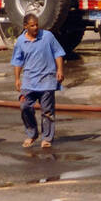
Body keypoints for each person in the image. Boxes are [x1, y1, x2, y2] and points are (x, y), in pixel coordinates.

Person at [12, 13, 65, 150]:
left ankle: (47, 138)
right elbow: (17, 61)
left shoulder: (47, 36)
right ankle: (32, 133)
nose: (36, 27)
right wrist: (17, 79)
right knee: (24, 106)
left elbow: (58, 52)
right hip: (29, 81)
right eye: (32, 25)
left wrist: (59, 70)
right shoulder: (20, 41)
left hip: (47, 80)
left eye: (37, 24)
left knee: (47, 111)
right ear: (25, 26)